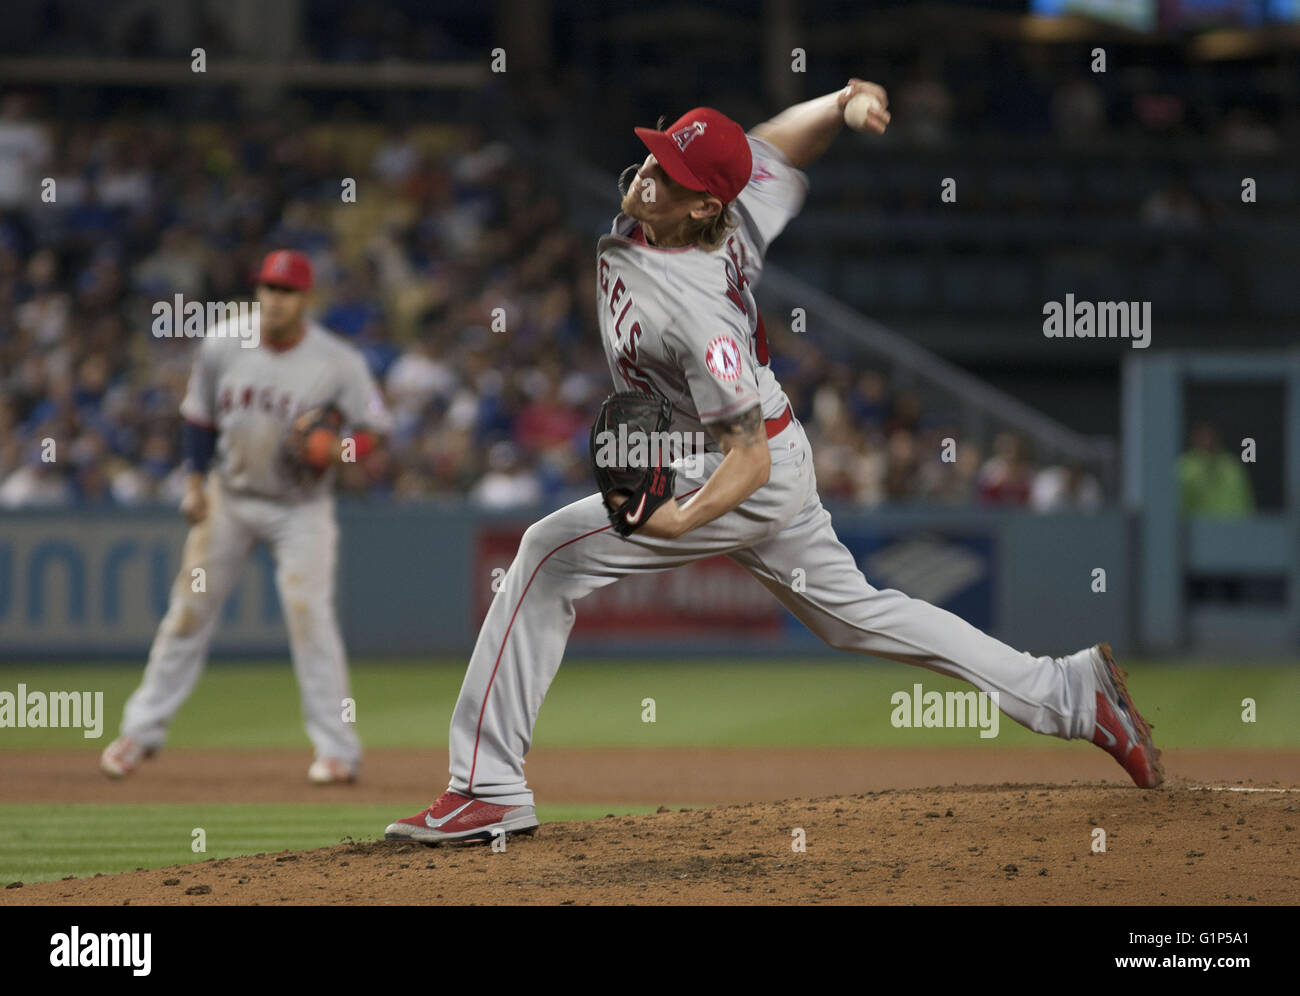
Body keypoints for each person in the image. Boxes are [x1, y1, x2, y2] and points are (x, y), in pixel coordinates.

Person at [386, 82, 1162, 845]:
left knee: (545, 556)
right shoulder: (723, 210)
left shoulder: (697, 311)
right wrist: (839, 104)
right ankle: (1067, 692)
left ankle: (486, 788)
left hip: (739, 466)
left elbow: (747, 460)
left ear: (703, 208)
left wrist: (677, 518)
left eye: (672, 177)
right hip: (757, 453)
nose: (650, 176)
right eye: (655, 156)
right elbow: (777, 144)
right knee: (858, 617)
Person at [100, 250, 393, 784]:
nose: (273, 299)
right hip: (229, 499)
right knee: (187, 613)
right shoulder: (223, 343)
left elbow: (377, 433)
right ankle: (138, 734)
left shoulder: (338, 361)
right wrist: (193, 484)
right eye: (267, 288)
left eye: (285, 291)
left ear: (306, 298)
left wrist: (341, 451)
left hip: (301, 508)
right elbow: (198, 419)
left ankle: (336, 751)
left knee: (311, 618)